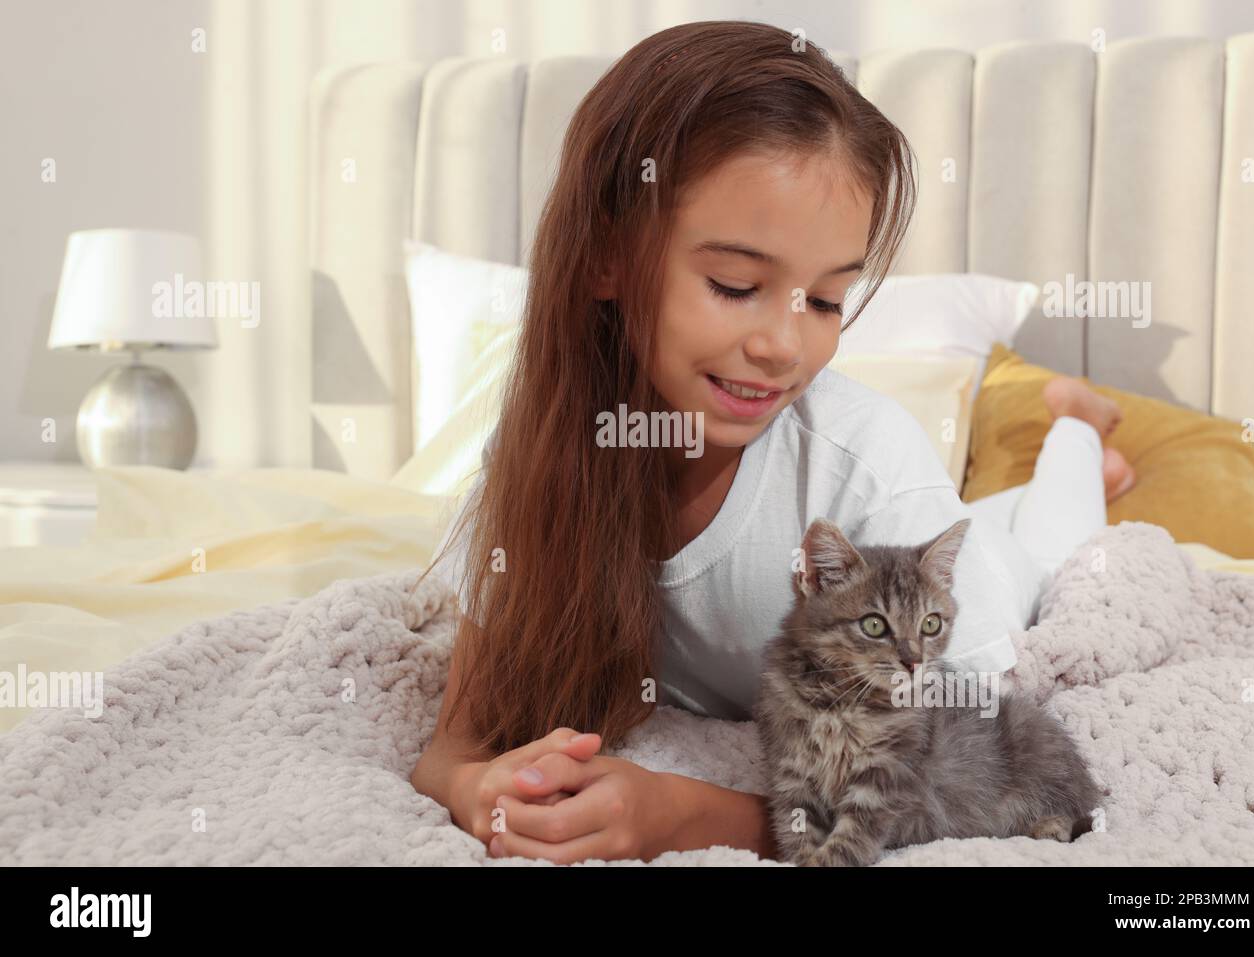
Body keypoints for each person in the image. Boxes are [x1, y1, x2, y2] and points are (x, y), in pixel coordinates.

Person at [408, 20, 1135, 864]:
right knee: (1000, 515)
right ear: (606, 255)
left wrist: (686, 815)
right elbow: (449, 754)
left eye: (826, 301)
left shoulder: (872, 470)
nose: (786, 347)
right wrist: (483, 791)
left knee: (1054, 535)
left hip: (966, 576)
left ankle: (1079, 428)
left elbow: (966, 776)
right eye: (737, 285)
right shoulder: (542, 459)